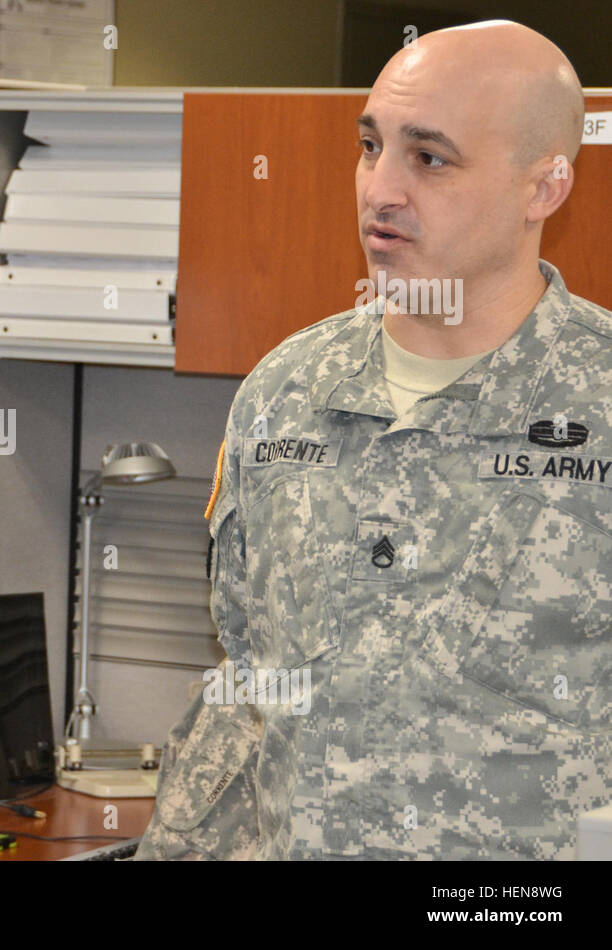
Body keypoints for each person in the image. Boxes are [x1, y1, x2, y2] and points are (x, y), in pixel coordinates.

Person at [138, 20, 612, 860]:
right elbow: (246, 690)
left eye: (429, 158)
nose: (379, 189)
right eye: (370, 145)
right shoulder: (286, 393)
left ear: (544, 187)